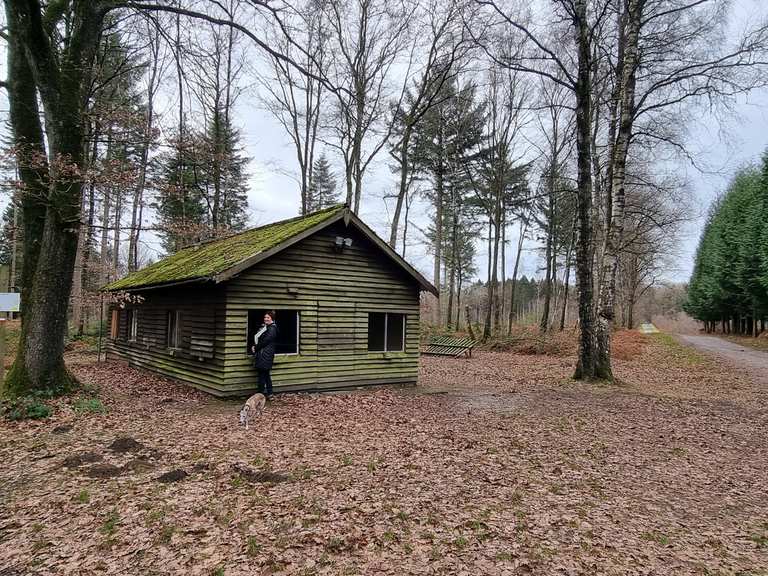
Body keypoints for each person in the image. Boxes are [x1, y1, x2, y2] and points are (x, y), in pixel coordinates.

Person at [252, 311, 278, 399]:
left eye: (268, 317)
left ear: (272, 319)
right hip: (264, 353)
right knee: (265, 374)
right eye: (265, 317)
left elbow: (265, 341)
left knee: (262, 375)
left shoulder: (272, 329)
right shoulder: (266, 328)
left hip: (266, 354)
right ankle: (270, 393)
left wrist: (256, 348)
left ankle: (259, 395)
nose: (265, 319)